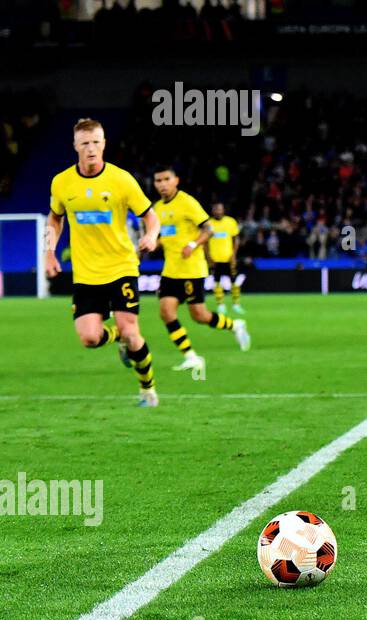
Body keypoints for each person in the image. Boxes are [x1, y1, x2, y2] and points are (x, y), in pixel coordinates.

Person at [44, 119, 162, 407]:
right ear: (75, 146)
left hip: (121, 266)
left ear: (104, 143)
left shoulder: (121, 180)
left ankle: (148, 389)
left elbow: (150, 216)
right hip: (86, 274)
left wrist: (152, 235)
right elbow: (55, 217)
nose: (91, 148)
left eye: (96, 142)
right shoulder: (62, 182)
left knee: (132, 331)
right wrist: (49, 250)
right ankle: (117, 338)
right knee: (89, 338)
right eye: (85, 143)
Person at [151, 168, 250, 378]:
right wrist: (151, 242)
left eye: (166, 179)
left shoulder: (187, 202)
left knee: (200, 316)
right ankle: (191, 356)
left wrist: (193, 244)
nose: (162, 184)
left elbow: (208, 229)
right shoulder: (157, 208)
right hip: (170, 270)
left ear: (176, 180)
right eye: (158, 180)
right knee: (166, 313)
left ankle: (235, 325)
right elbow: (166, 236)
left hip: (191, 270)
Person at [206, 201, 243, 314]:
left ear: (223, 210)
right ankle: (220, 305)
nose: (218, 211)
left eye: (219, 209)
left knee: (234, 281)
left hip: (228, 257)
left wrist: (234, 254)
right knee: (216, 282)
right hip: (215, 259)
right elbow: (205, 242)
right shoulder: (208, 224)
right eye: (215, 209)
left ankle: (236, 304)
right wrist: (208, 257)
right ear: (213, 211)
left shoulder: (230, 222)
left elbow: (236, 239)